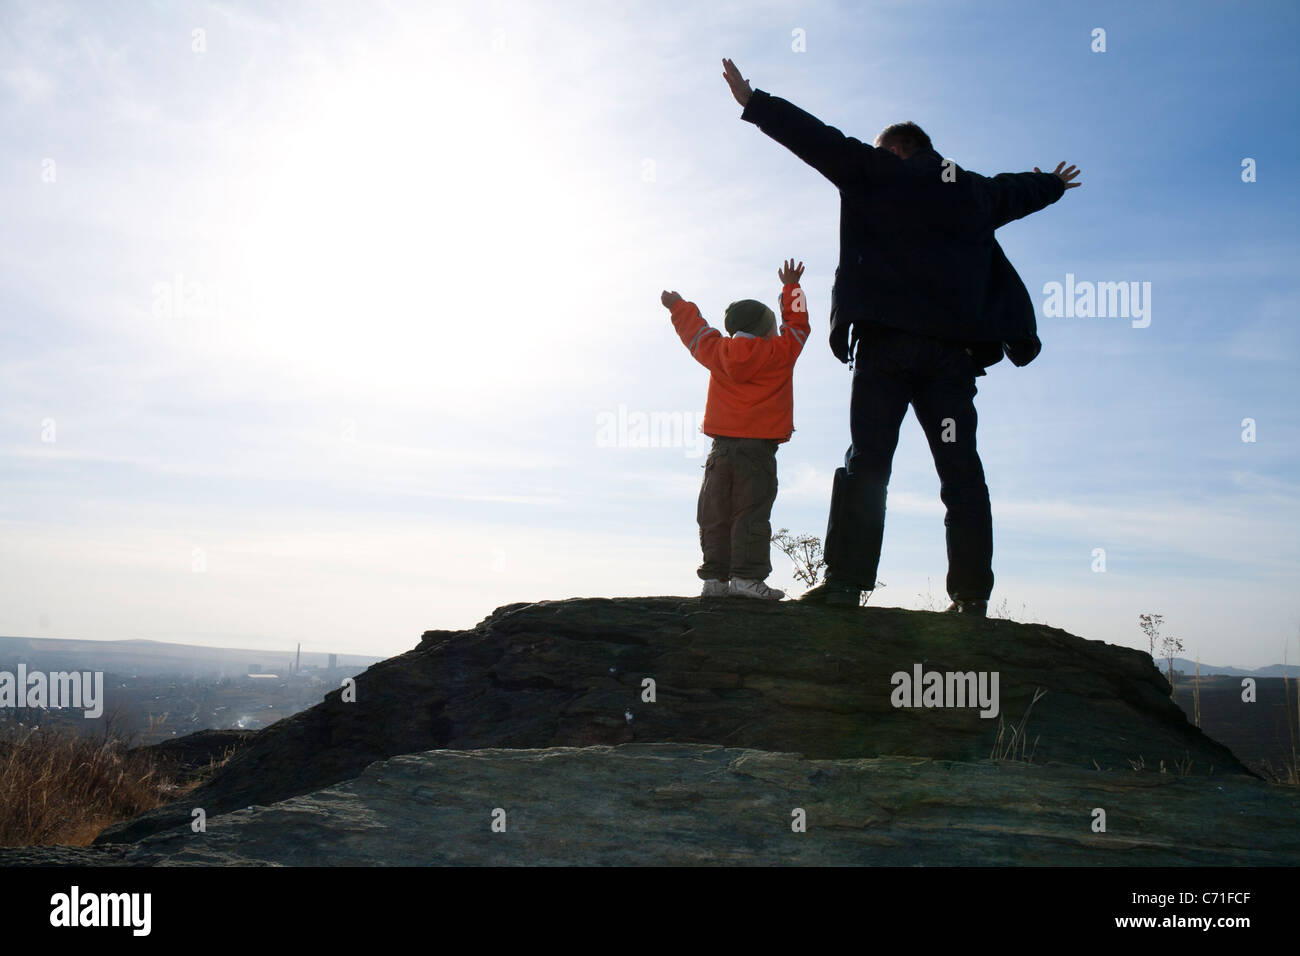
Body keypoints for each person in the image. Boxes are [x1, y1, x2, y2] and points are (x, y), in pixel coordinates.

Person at [721, 58, 1081, 615]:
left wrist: (755, 103)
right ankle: (971, 597)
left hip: (886, 350)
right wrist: (1053, 183)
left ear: (894, 150)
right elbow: (1020, 191)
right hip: (952, 362)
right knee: (961, 472)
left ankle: (844, 586)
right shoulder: (975, 192)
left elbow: (815, 138)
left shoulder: (874, 171)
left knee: (868, 464)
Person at [661, 259, 810, 600]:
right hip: (758, 452)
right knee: (751, 514)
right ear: (766, 328)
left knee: (714, 513)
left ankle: (714, 580)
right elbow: (799, 325)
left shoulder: (718, 352)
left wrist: (678, 307)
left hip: (722, 450)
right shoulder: (781, 352)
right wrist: (792, 288)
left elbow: (694, 332)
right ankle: (746, 578)